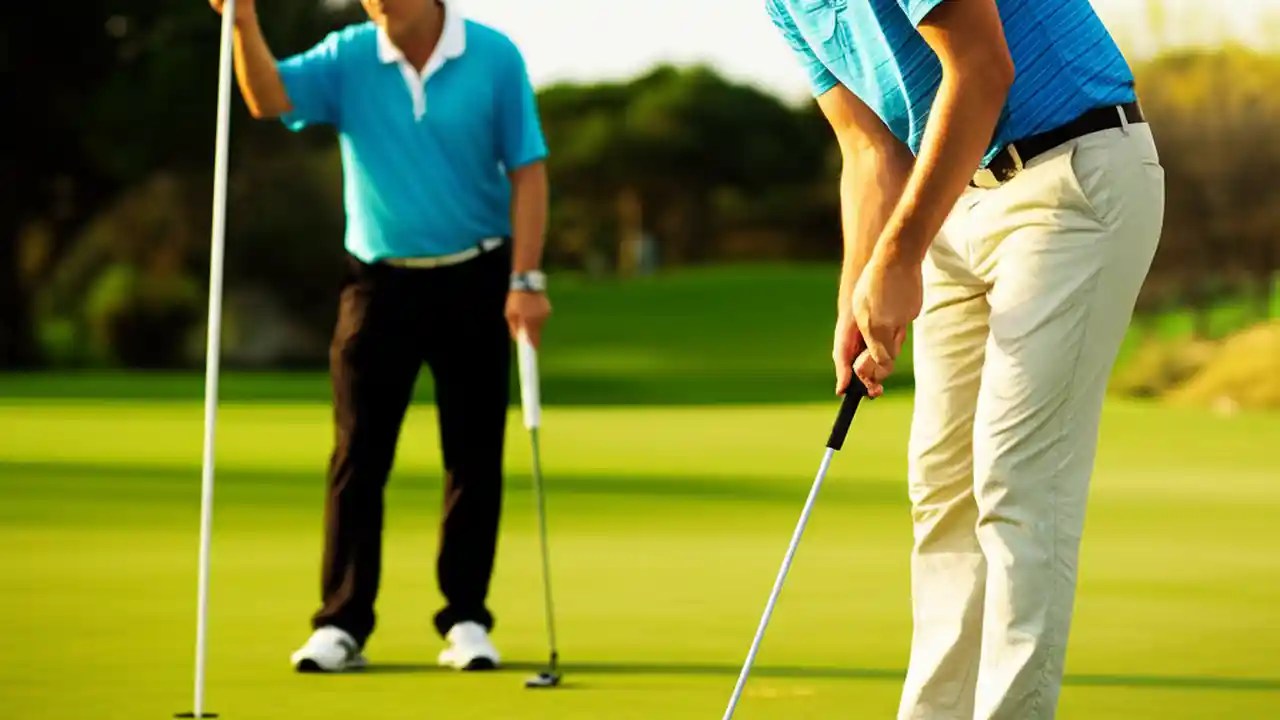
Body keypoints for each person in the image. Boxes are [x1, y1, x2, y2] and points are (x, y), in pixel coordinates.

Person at [766, 1, 1164, 718]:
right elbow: (870, 150)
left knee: (1017, 480)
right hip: (955, 198)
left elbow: (981, 70)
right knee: (943, 491)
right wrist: (859, 292)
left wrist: (899, 256)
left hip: (1070, 175)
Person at [208, 0, 551, 672]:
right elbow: (269, 96)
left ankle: (466, 620)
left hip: (476, 275)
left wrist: (526, 279)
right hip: (377, 283)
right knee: (358, 456)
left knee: (473, 456)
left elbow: (528, 170)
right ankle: (342, 622)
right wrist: (243, 21)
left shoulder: (493, 56)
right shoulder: (348, 55)